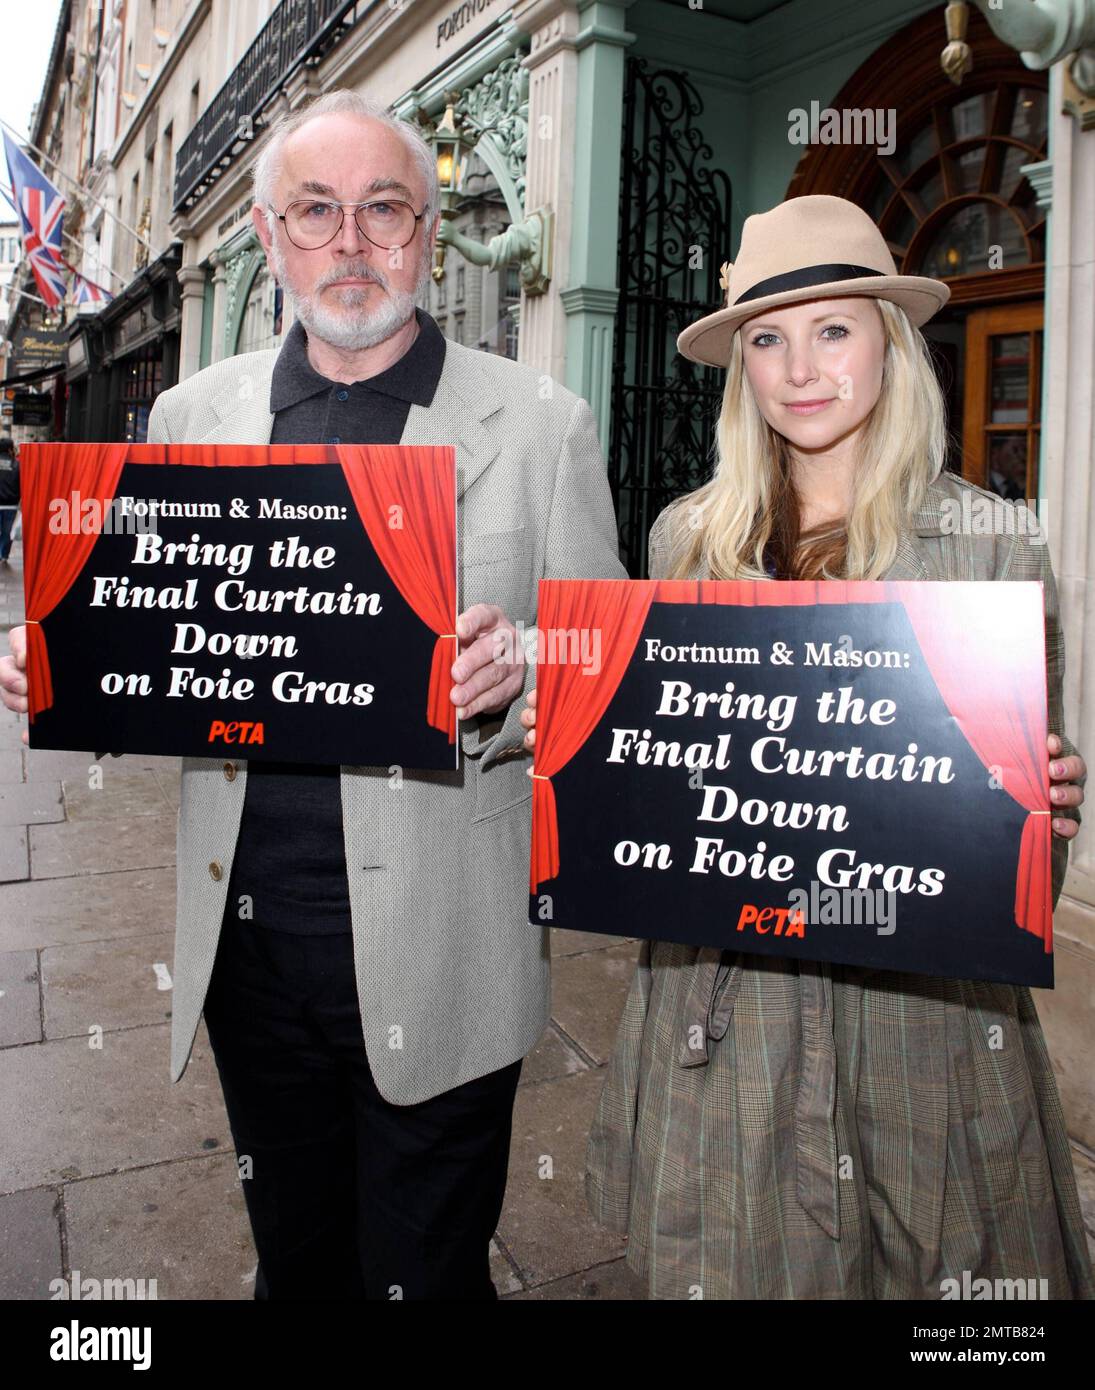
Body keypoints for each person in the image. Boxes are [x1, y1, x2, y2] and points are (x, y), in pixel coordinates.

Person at [0, 90, 626, 1300]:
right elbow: (150, 631)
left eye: (384, 209)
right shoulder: (190, 417)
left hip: (444, 953)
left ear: (430, 233)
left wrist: (520, 677)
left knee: (429, 1275)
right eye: (317, 211)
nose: (352, 243)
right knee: (294, 1262)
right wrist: (56, 659)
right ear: (269, 233)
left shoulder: (542, 427)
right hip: (249, 959)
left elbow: (592, 670)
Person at [521, 195, 1092, 1299]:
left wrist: (1039, 808)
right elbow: (663, 789)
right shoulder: (689, 539)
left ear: (891, 340)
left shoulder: (991, 547)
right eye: (768, 339)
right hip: (732, 1020)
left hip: (925, 1033)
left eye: (834, 329)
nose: (800, 368)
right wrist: (596, 755)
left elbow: (1028, 860)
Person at [0, 436, 18, 564]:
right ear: (10, 449)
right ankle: (4, 555)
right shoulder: (17, 465)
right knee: (7, 532)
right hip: (11, 506)